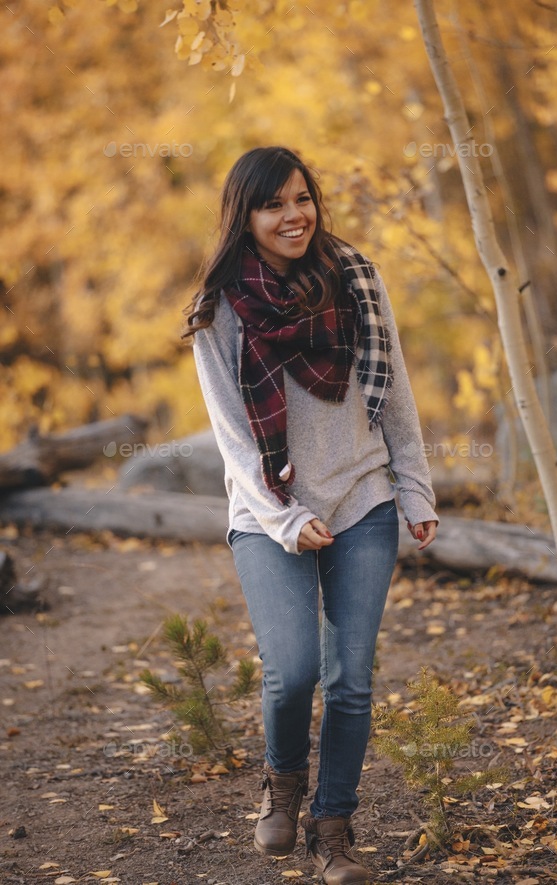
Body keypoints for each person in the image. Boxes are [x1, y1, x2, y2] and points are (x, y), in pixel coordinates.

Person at [183, 146, 438, 885]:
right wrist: (285, 517)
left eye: (303, 199)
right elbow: (233, 438)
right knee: (292, 672)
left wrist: (415, 488)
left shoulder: (354, 276)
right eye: (275, 205)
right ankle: (283, 781)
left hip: (362, 499)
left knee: (350, 678)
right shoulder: (219, 305)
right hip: (269, 513)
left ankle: (335, 831)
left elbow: (395, 392)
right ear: (246, 216)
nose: (294, 216)